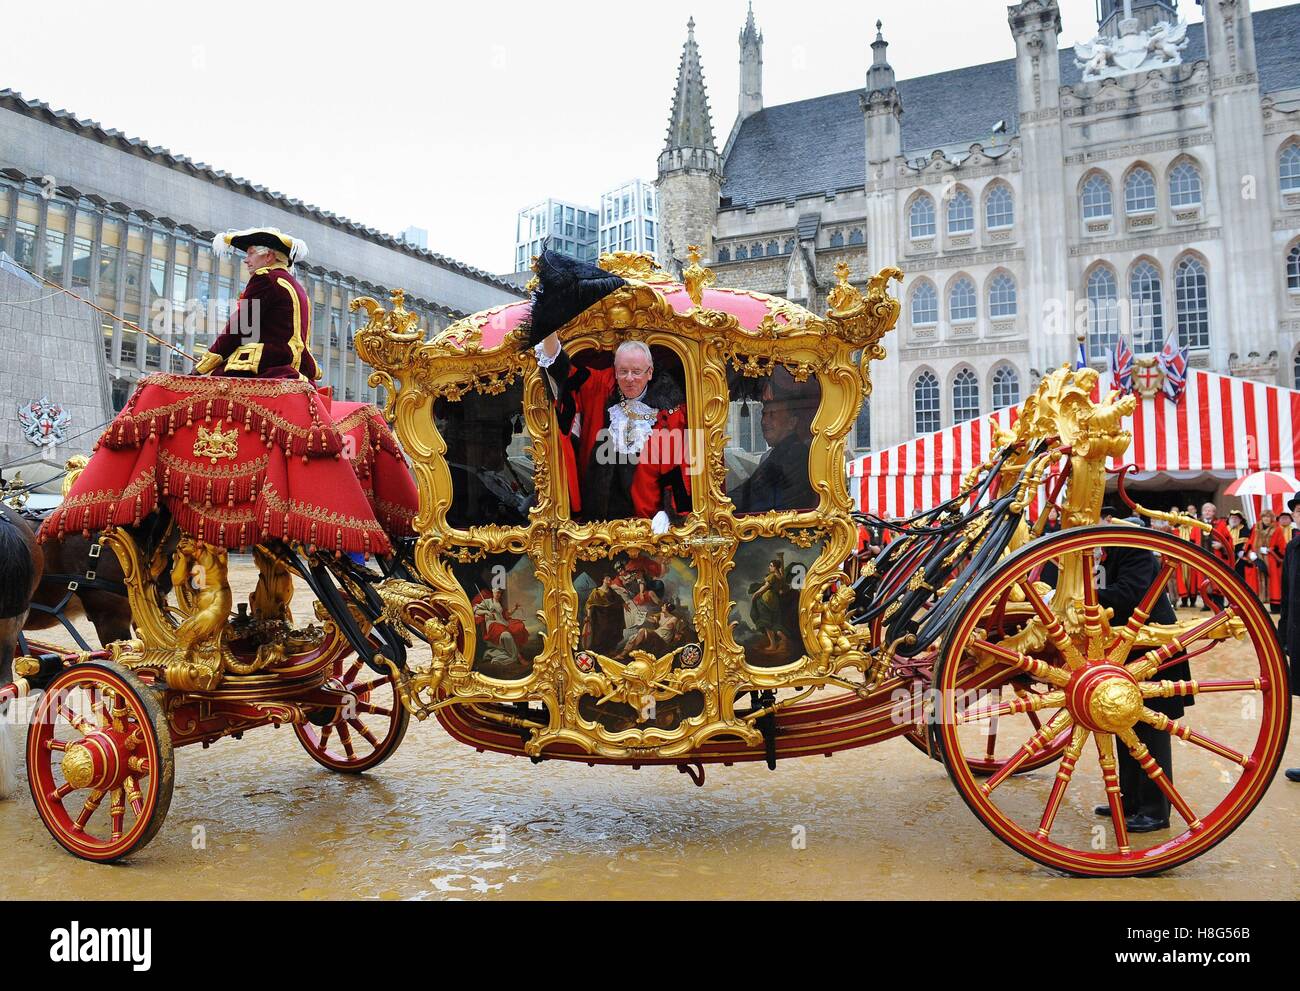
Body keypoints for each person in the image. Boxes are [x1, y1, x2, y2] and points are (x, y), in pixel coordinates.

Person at [1092, 533, 1192, 830]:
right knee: (1125, 728)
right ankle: (1131, 801)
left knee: (1152, 732)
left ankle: (1155, 810)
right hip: (1129, 650)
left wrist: (1085, 598)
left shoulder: (1133, 551)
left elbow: (1129, 595)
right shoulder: (1107, 553)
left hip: (1154, 651)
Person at [196, 227, 319, 381]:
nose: (246, 260)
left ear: (268, 256)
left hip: (267, 367)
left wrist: (205, 364)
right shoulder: (298, 287)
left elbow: (240, 326)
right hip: (296, 370)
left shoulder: (266, 278)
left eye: (251, 253)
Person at [729, 372, 817, 514]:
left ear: (791, 423)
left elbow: (755, 497)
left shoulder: (794, 455)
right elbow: (749, 490)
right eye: (763, 415)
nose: (764, 421)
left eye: (772, 415)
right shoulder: (777, 454)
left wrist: (724, 505)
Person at [1275, 494, 1300, 782]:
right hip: (1297, 632)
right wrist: (1283, 635)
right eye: (1297, 511)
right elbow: (1287, 595)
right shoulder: (1294, 547)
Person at [1245, 509, 1281, 611]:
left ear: (1272, 519)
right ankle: (1258, 608)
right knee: (1255, 582)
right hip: (1256, 558)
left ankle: (1275, 607)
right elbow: (1250, 542)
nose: (1266, 519)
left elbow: (1281, 546)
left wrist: (1270, 550)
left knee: (1273, 583)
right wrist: (1251, 553)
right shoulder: (1255, 528)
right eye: (1264, 516)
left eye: (1268, 517)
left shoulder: (1277, 529)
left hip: (1271, 560)